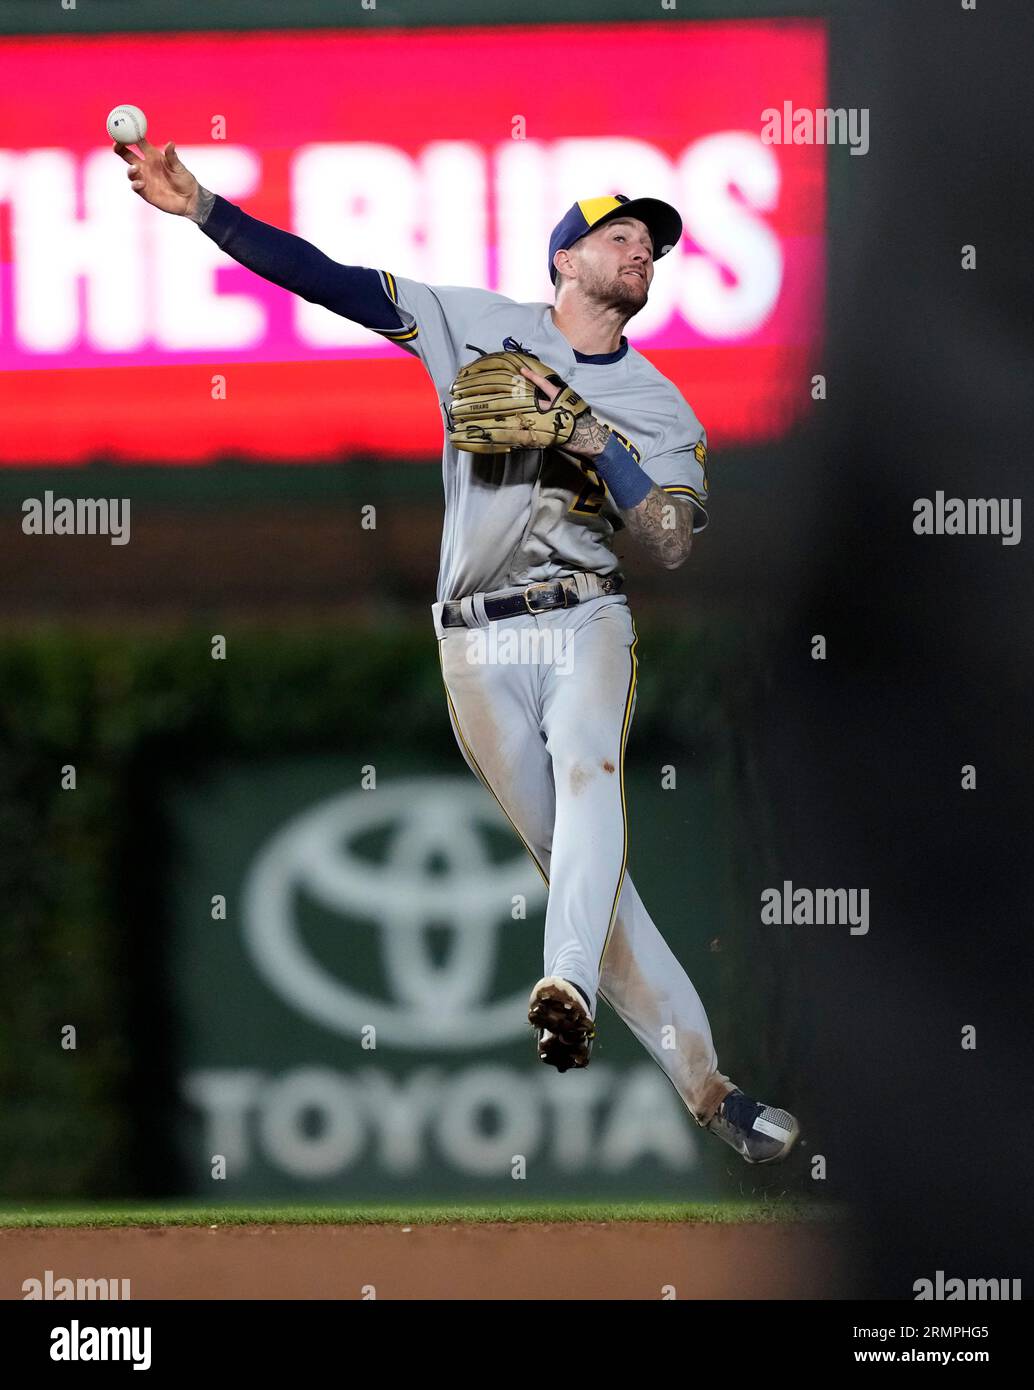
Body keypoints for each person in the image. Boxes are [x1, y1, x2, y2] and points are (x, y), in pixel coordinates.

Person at [116, 137, 799, 1163]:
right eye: (618, 237)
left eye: (651, 246)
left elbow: (664, 541)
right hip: (471, 641)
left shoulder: (659, 406)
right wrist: (204, 207)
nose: (639, 253)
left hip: (584, 619)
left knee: (589, 774)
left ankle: (561, 982)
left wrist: (588, 437)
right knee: (590, 878)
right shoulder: (474, 322)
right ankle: (713, 1095)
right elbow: (330, 280)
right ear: (563, 259)